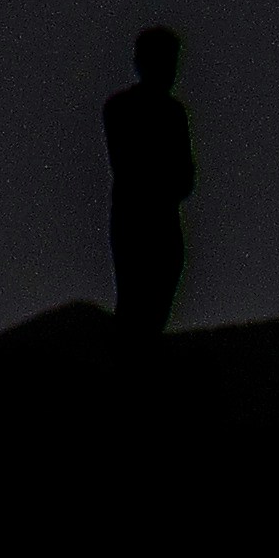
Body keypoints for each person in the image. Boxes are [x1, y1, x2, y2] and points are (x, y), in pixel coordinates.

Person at [105, 26, 196, 339]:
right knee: (137, 298)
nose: (171, 69)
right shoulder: (125, 108)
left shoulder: (170, 112)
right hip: (140, 218)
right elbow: (132, 166)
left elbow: (184, 176)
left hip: (153, 218)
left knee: (154, 295)